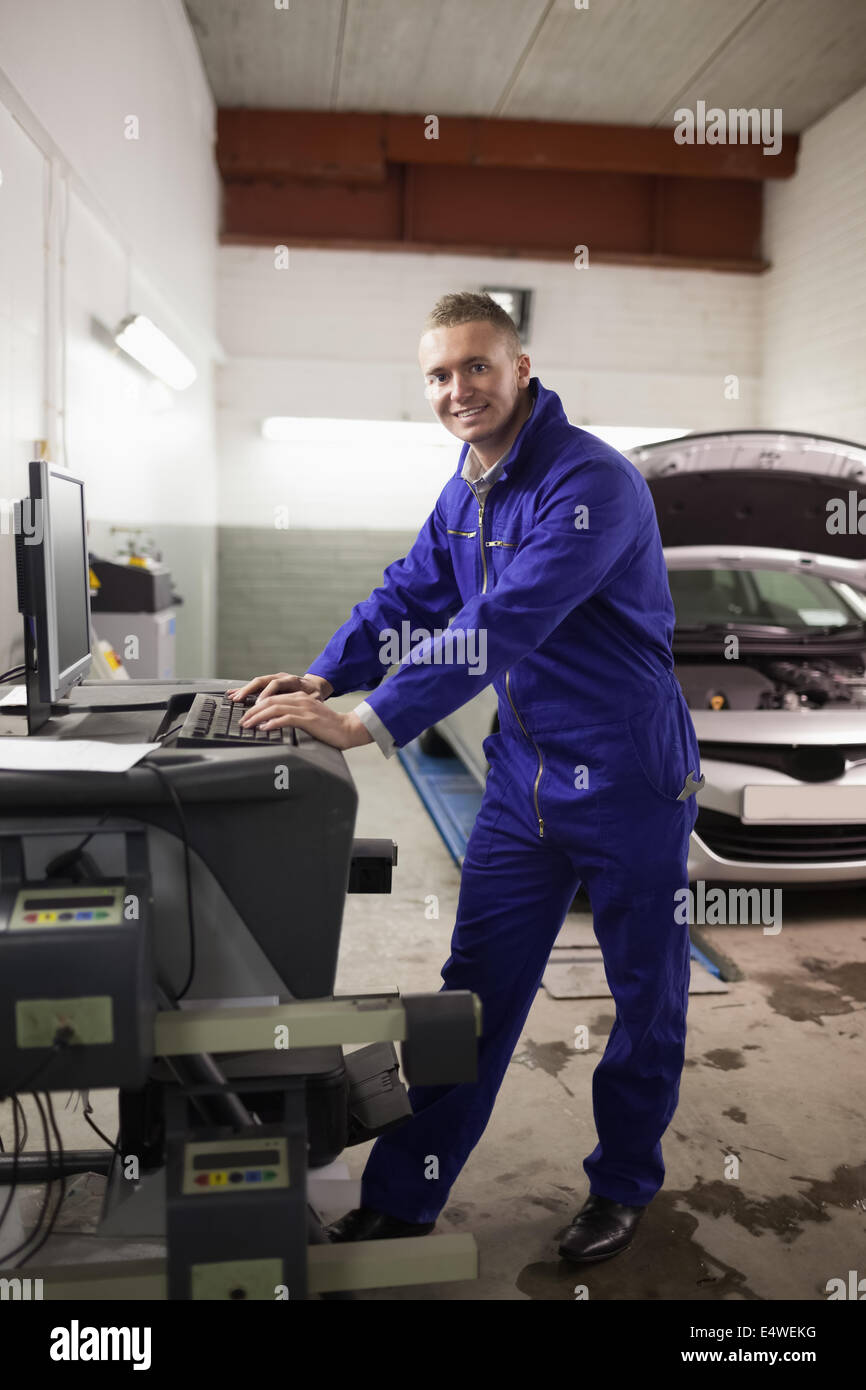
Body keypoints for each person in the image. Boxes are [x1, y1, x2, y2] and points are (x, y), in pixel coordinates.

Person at [227, 291, 702, 1264]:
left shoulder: (592, 484)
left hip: (625, 775)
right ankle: (406, 1194)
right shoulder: (467, 485)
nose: (457, 389)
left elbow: (500, 623)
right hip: (522, 779)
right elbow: (412, 590)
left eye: (475, 366)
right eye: (439, 375)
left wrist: (365, 721)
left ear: (519, 368)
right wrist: (326, 670)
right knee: (470, 999)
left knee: (643, 994)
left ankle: (620, 1185)